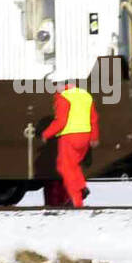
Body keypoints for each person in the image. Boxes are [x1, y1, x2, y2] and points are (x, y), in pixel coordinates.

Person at [40, 74, 98, 208]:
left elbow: (61, 121)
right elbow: (93, 119)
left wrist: (46, 134)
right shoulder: (85, 95)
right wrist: (94, 137)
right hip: (85, 137)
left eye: (56, 85)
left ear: (62, 85)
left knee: (65, 168)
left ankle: (77, 201)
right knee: (73, 165)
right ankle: (82, 187)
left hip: (69, 137)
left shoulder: (63, 97)